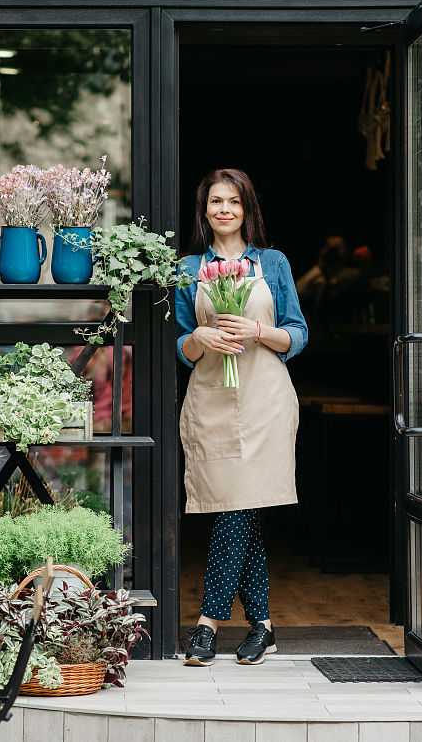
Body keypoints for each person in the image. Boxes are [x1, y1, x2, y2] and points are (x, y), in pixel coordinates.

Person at [175, 168, 308, 667]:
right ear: (204, 209)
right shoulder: (189, 269)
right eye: (215, 201)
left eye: (233, 201)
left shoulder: (272, 263)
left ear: (247, 207)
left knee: (238, 508)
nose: (224, 209)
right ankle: (263, 627)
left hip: (265, 400)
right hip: (211, 396)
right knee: (238, 506)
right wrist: (201, 339)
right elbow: (181, 344)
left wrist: (257, 330)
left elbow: (297, 333)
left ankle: (208, 624)